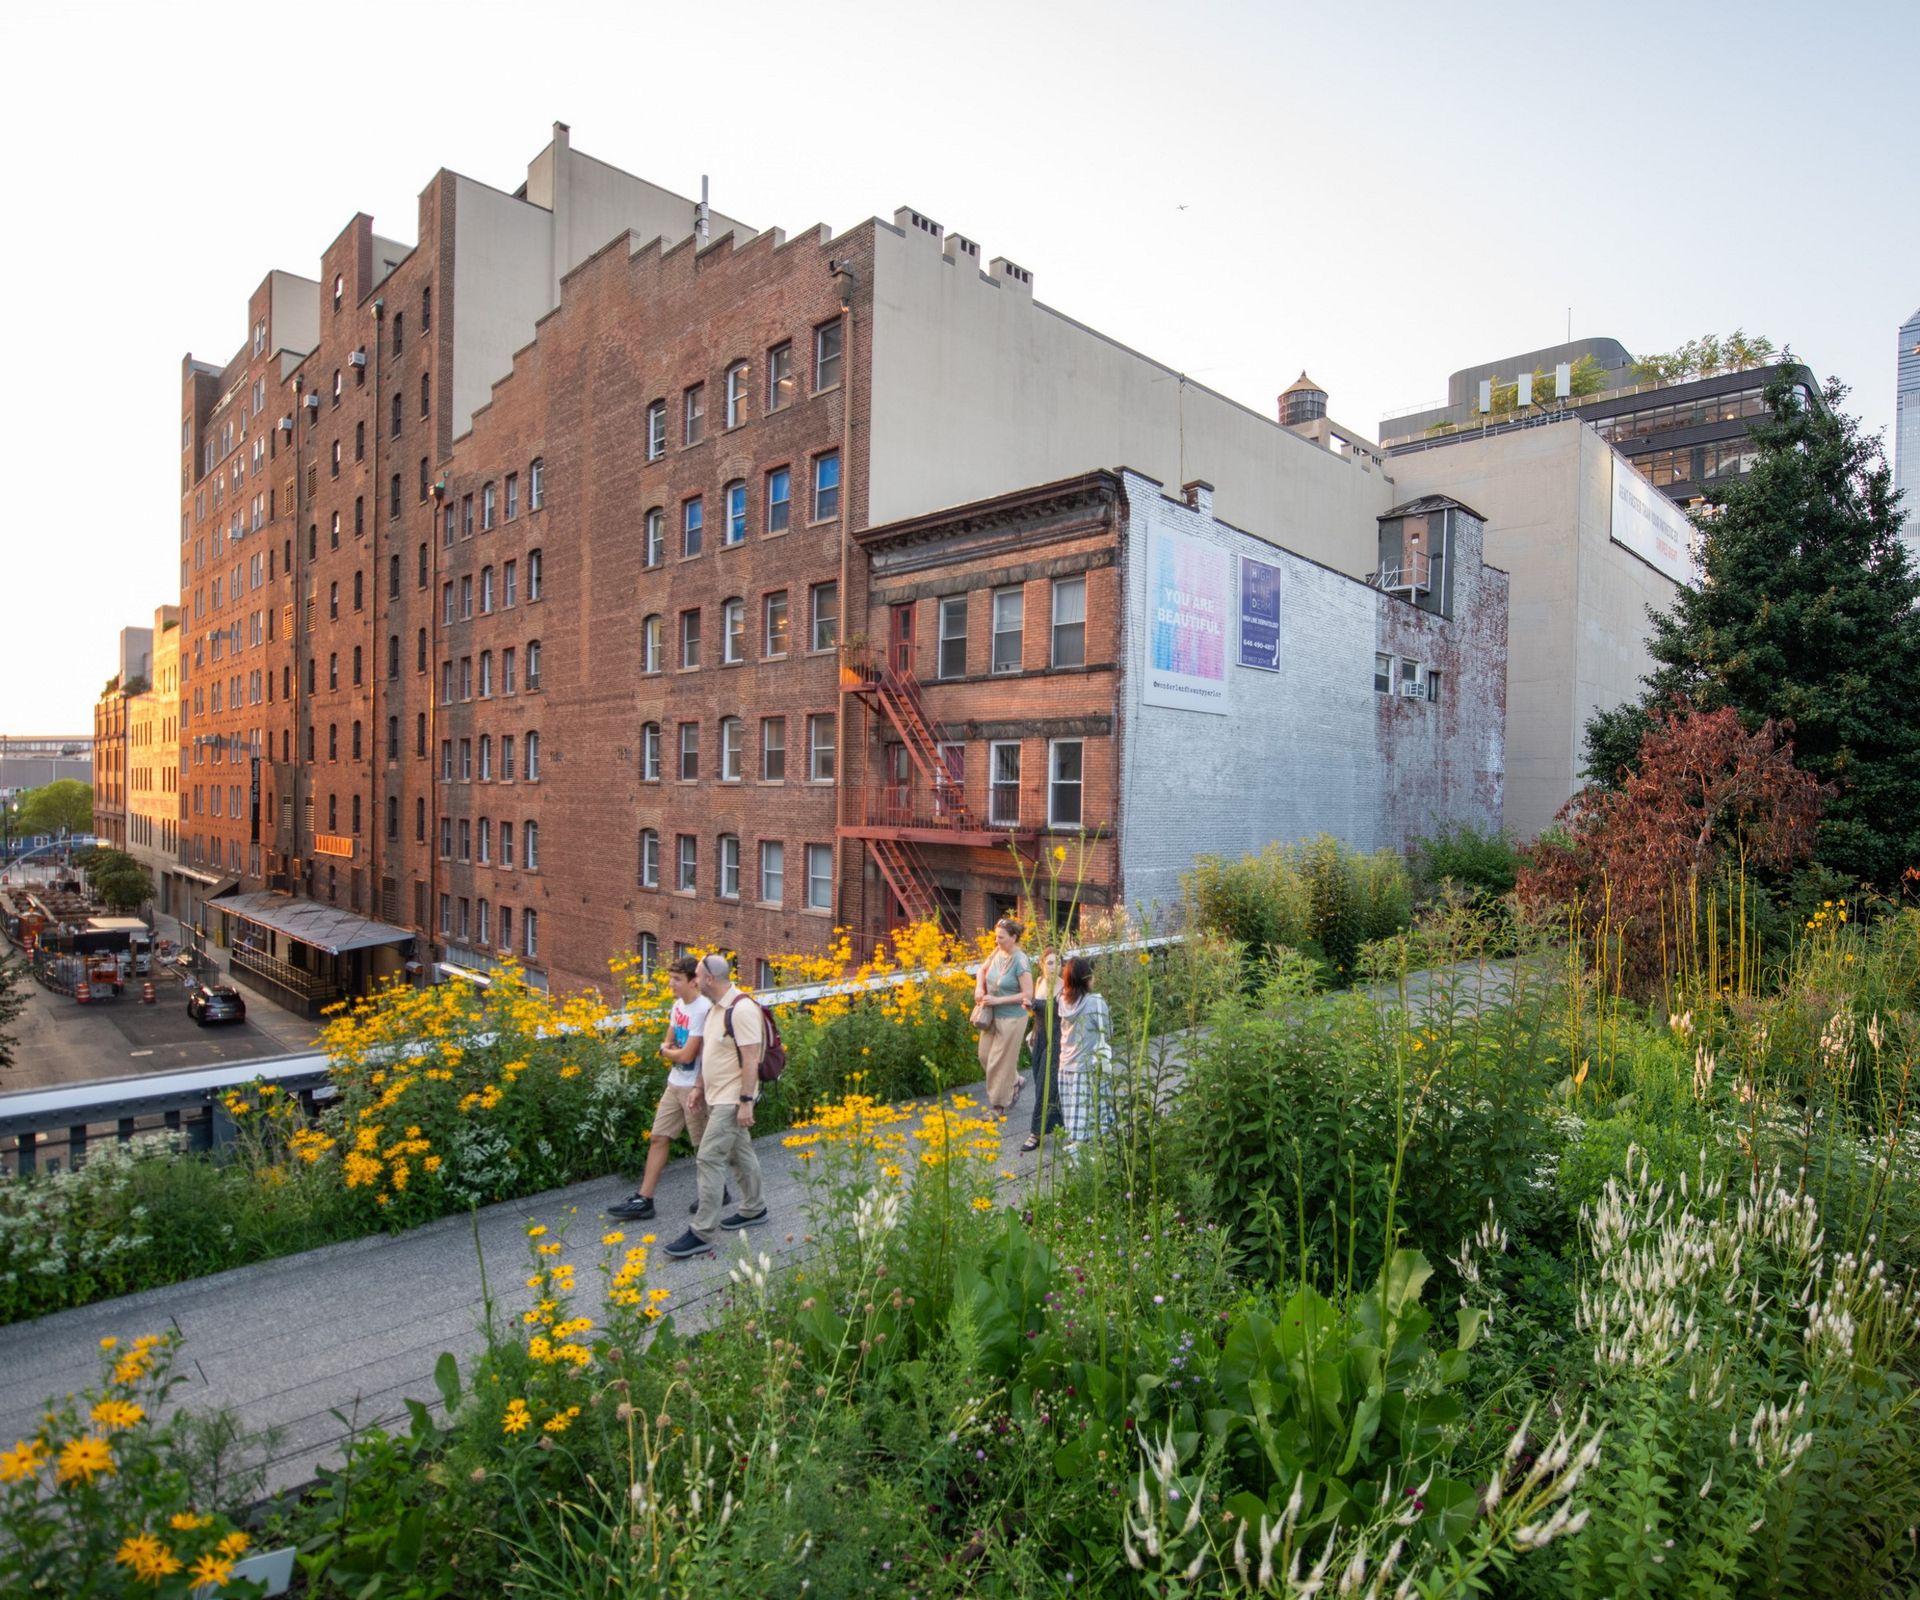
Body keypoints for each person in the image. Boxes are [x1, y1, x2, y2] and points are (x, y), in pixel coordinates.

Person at [665, 954, 770, 1257]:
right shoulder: (715, 1010)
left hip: (731, 1099)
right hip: (715, 1094)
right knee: (740, 1154)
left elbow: (751, 1058)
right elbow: (711, 1054)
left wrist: (746, 1102)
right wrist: (698, 1087)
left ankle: (701, 1231)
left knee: (708, 1158)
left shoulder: (742, 1009)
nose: (694, 981)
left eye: (696, 976)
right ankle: (754, 1208)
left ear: (709, 979)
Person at [607, 956, 721, 1222]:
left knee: (703, 1146)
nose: (671, 984)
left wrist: (668, 1052)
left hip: (695, 1086)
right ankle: (644, 1199)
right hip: (675, 1083)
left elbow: (686, 1055)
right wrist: (670, 1050)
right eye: (671, 978)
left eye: (677, 979)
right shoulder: (678, 1005)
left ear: (694, 981)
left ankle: (717, 1191)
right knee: (659, 1136)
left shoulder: (702, 1010)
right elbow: (669, 1041)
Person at [974, 916, 1035, 1118]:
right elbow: (982, 970)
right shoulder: (998, 952)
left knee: (998, 1062)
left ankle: (998, 1106)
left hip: (1012, 1018)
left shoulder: (1020, 960)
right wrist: (979, 989)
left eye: (1001, 937)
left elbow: (1028, 994)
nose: (996, 940)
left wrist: (997, 1000)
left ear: (1013, 937)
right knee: (985, 1056)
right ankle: (1015, 1081)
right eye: (996, 936)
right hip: (991, 1016)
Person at [1056, 955, 1115, 1149]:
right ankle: (1086, 1155)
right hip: (1090, 1066)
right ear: (1087, 978)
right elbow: (1108, 1031)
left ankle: (1076, 1146)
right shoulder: (1094, 1003)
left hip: (1066, 1065)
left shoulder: (1062, 1002)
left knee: (1074, 1113)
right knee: (1095, 1113)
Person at [1021, 948, 1063, 1153]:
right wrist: (1029, 1006)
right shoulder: (1039, 982)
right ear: (1042, 965)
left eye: (1059, 963)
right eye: (1051, 963)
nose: (1055, 967)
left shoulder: (1064, 987)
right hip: (1038, 1039)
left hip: (1056, 1041)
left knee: (1045, 1087)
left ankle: (1035, 1133)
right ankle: (1065, 1126)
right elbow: (1035, 1011)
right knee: (1041, 1083)